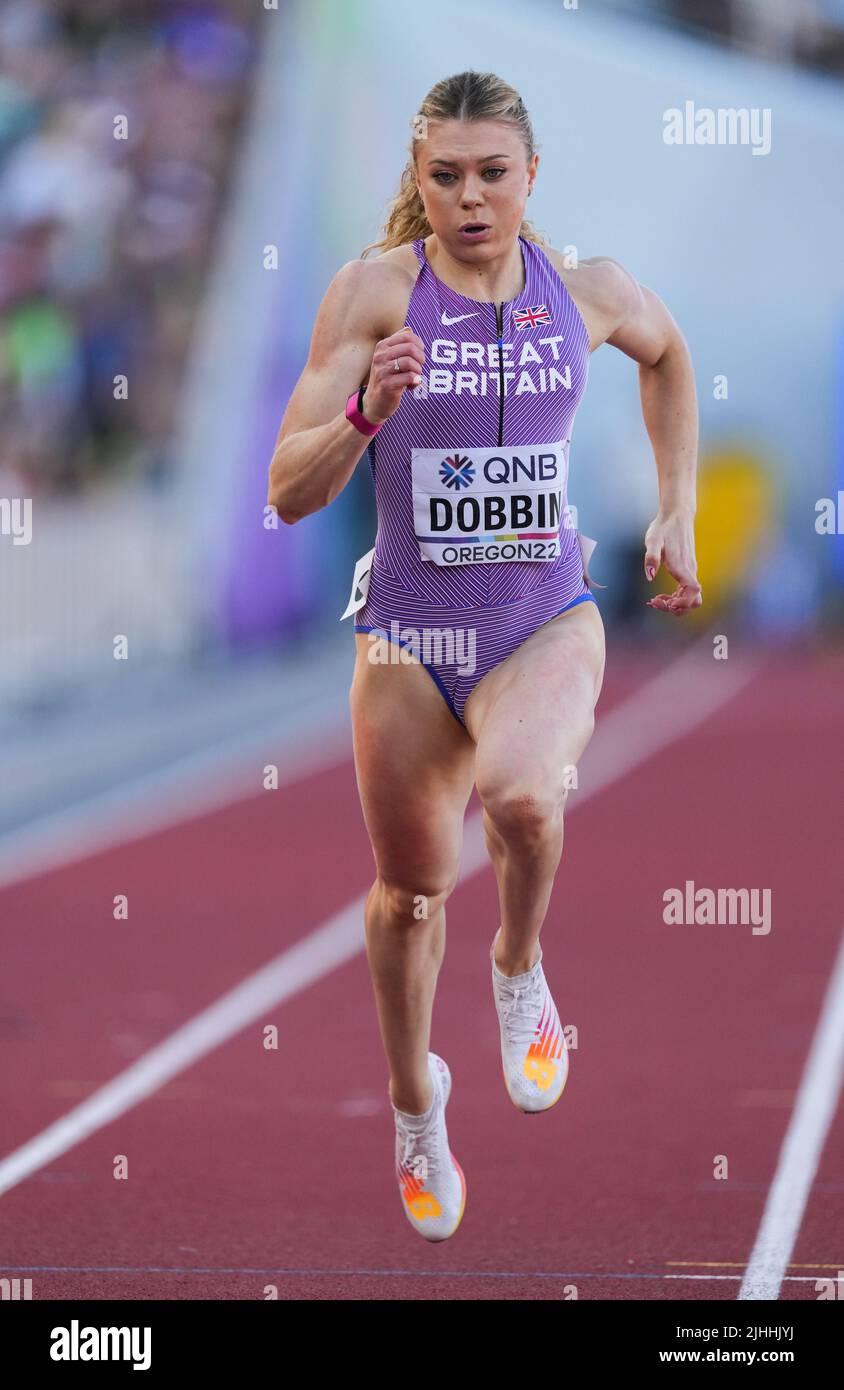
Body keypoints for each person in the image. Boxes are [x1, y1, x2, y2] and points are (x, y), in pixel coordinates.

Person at [267, 70, 701, 1243]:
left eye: (491, 174)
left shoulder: (588, 292)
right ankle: (417, 1104)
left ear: (529, 176)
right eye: (445, 176)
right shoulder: (373, 293)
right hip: (409, 633)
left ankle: (517, 967)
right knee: (409, 895)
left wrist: (675, 507)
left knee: (522, 798)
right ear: (418, 181)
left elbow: (668, 359)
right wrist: (363, 412)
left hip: (542, 617)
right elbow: (285, 491)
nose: (469, 199)